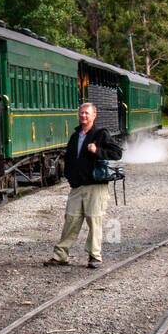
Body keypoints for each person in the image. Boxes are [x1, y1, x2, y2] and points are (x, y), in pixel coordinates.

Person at [45, 102, 123, 269]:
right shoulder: (75, 135)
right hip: (77, 186)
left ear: (94, 115)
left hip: (95, 186)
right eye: (81, 113)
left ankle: (95, 256)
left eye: (87, 113)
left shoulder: (101, 134)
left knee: (94, 221)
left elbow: (117, 153)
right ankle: (60, 256)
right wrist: (69, 176)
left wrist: (97, 151)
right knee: (70, 220)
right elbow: (70, 157)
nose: (83, 116)